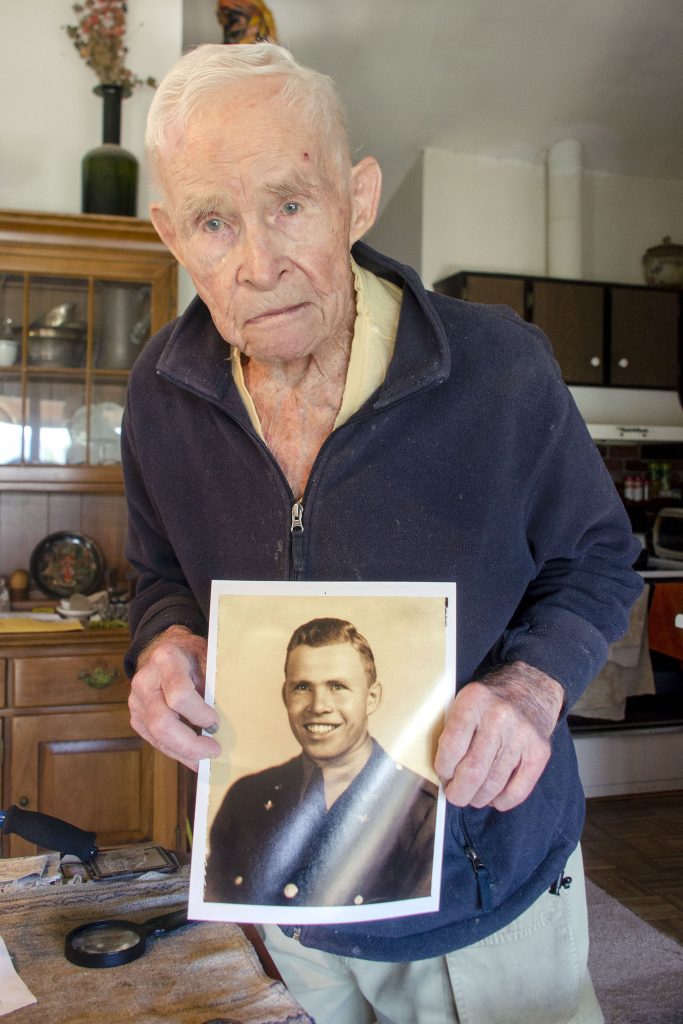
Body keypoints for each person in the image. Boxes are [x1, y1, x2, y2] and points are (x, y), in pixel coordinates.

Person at [123, 41, 642, 1024]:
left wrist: (530, 686)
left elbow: (598, 559)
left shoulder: (498, 367)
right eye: (212, 222)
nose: (257, 262)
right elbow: (159, 575)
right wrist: (164, 644)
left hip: (479, 893)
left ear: (357, 199)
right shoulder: (158, 392)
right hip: (284, 897)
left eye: (287, 204)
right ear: (170, 233)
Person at [205, 617, 439, 907]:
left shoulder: (425, 811)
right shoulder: (245, 799)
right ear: (285, 696)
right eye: (302, 687)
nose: (318, 706)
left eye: (337, 687)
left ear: (372, 698)